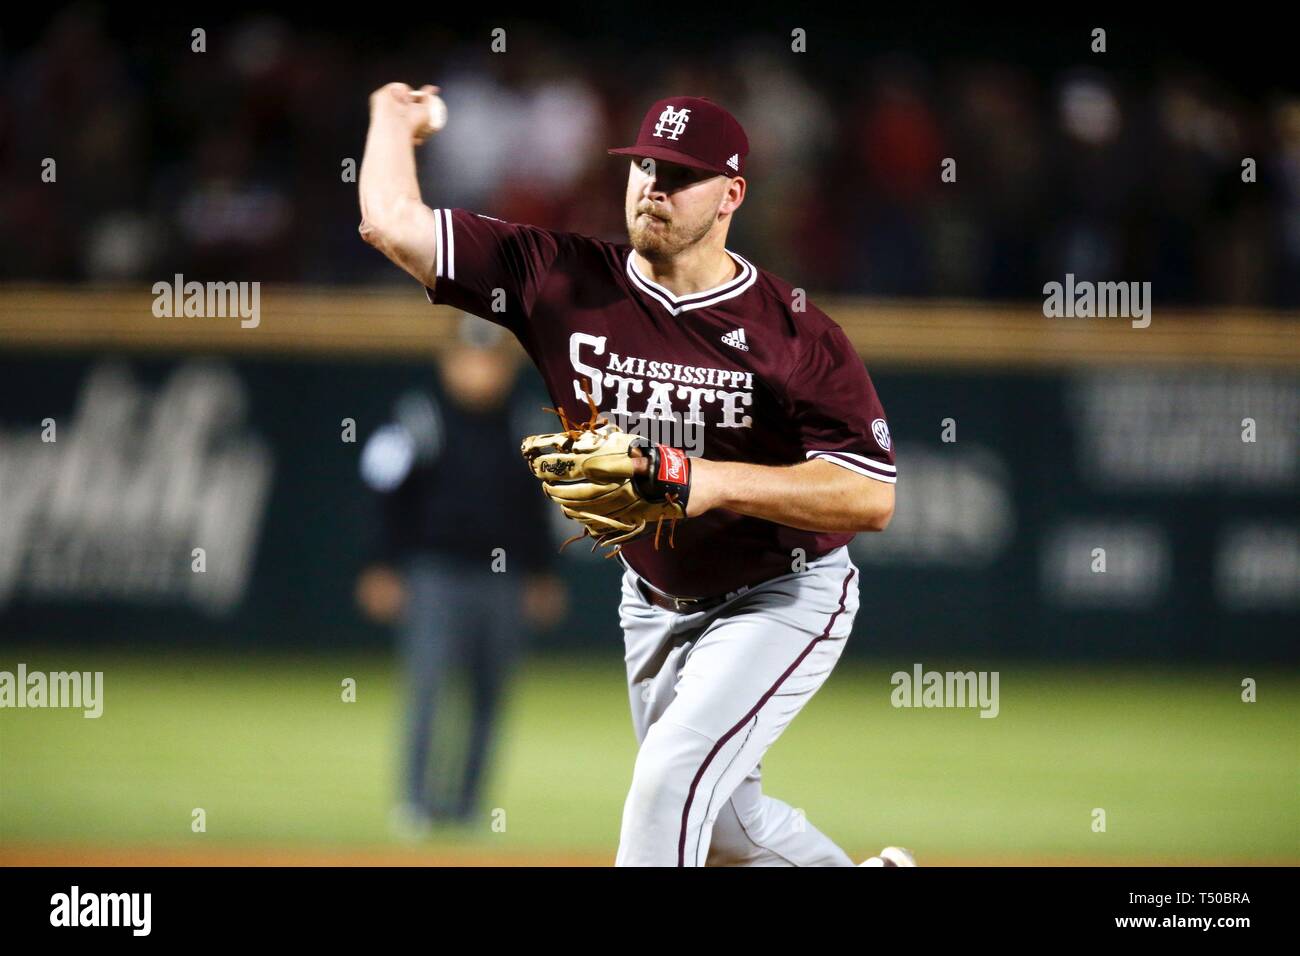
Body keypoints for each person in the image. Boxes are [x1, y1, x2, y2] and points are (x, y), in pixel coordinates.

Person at [358, 85, 912, 867]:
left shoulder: (793, 332)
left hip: (780, 592)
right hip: (652, 597)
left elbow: (871, 495)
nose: (653, 185)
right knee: (721, 824)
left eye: (678, 174)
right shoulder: (560, 279)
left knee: (665, 785)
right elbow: (391, 222)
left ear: (731, 195)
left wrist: (710, 480)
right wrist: (390, 117)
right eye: (644, 165)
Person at [355, 316, 566, 835]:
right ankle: (417, 804)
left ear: (505, 367)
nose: (479, 371)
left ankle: (469, 806)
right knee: (427, 688)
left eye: (489, 360)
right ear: (449, 362)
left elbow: (541, 508)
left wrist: (543, 574)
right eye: (469, 359)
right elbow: (384, 495)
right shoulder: (420, 419)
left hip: (504, 580)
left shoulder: (525, 424)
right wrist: (381, 565)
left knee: (489, 694)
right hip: (435, 576)